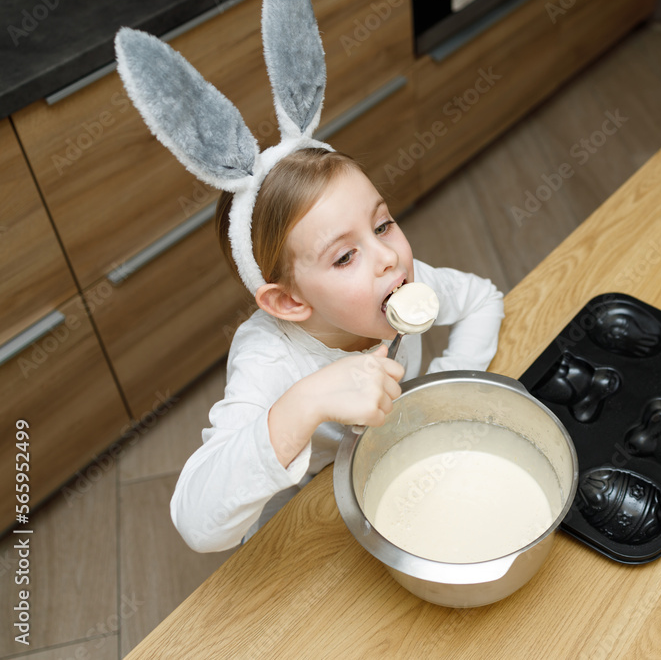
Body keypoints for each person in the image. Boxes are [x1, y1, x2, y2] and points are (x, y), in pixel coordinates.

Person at [169, 149, 505, 552]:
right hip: (304, 534)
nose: (389, 257)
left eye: (382, 226)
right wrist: (304, 402)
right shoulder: (270, 358)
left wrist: (441, 392)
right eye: (345, 257)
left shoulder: (400, 287)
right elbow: (198, 525)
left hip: (395, 474)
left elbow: (482, 299)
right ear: (290, 302)